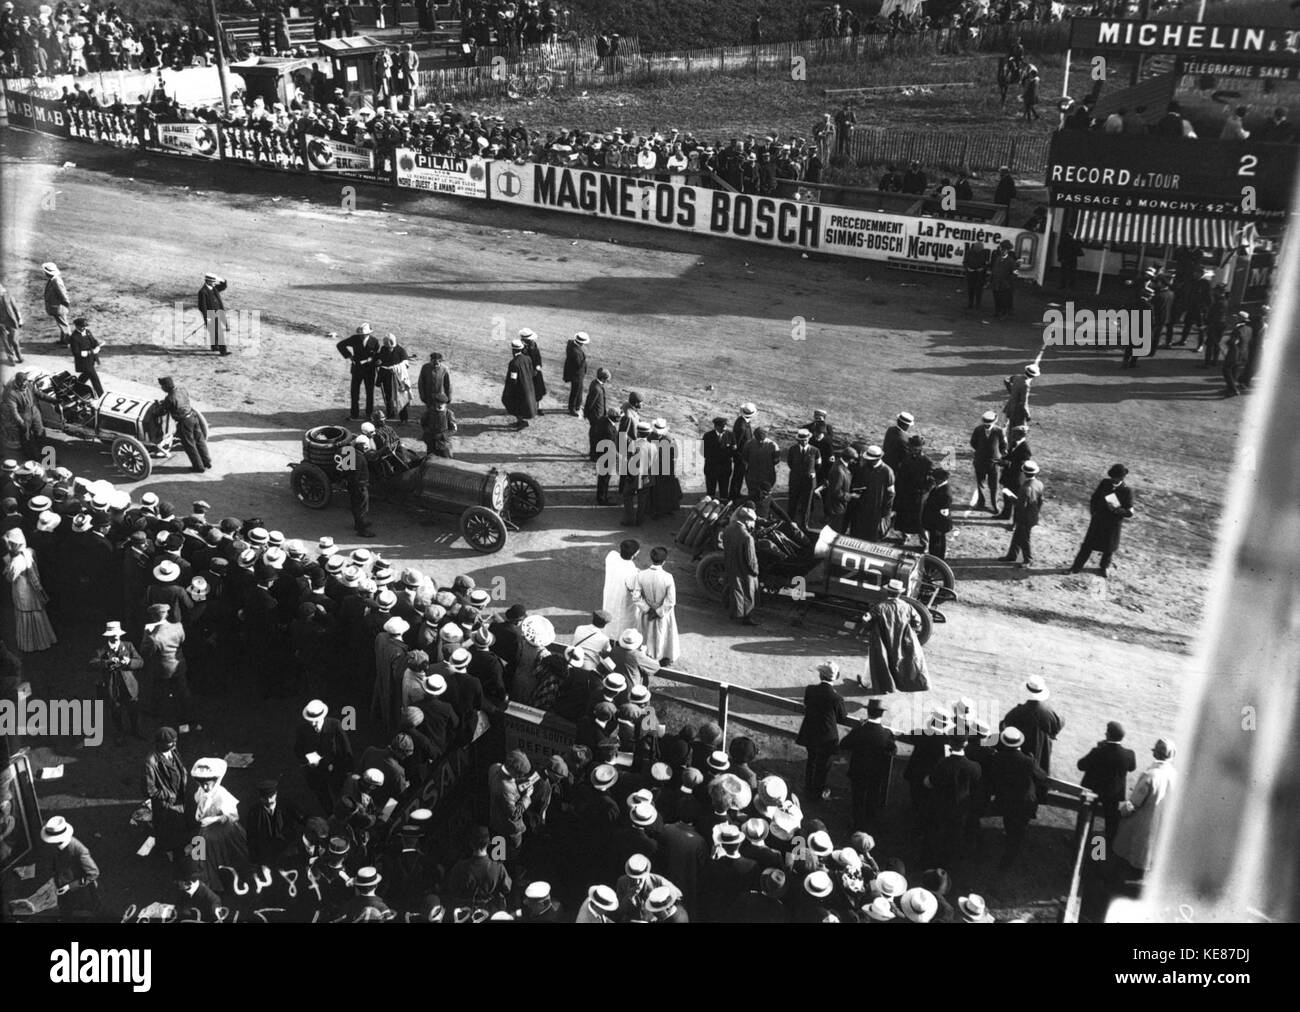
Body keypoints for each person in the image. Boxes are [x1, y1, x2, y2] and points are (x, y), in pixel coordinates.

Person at [187, 756, 249, 893]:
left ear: (215, 781)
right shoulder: (201, 792)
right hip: (206, 830)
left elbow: (232, 816)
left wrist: (214, 819)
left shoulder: (222, 795)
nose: (204, 787)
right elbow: (200, 807)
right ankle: (204, 877)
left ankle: (228, 877)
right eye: (201, 783)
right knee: (200, 851)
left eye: (207, 784)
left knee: (225, 855)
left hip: (224, 830)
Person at [987, 727, 1048, 867]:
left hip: (1006, 799)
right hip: (1025, 800)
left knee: (1009, 822)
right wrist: (1033, 761)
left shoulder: (997, 758)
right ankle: (1011, 855)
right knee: (1020, 828)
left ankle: (1010, 843)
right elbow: (1042, 776)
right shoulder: (1028, 760)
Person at [1077, 721, 1137, 851]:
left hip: (1093, 791)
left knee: (1086, 818)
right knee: (1110, 821)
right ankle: (1103, 849)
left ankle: (1080, 844)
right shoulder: (1129, 754)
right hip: (1113, 793)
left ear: (1108, 735)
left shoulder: (1097, 752)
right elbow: (1132, 768)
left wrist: (1099, 748)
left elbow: (1081, 765)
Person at [1071, 464, 1136, 577]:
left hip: (1112, 524)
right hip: (1098, 520)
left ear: (1121, 478)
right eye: (1111, 477)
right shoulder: (1105, 483)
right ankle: (1076, 566)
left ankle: (1104, 567)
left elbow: (1130, 512)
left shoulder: (1127, 491)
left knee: (1108, 548)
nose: (1112, 480)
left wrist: (1117, 510)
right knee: (1087, 545)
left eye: (1115, 478)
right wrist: (1093, 512)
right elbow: (1094, 498)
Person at [840, 698, 894, 832]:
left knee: (857, 798)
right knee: (872, 798)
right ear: (881, 714)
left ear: (868, 713)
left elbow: (844, 744)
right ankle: (869, 825)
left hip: (858, 771)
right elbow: (893, 750)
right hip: (876, 774)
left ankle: (856, 824)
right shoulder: (887, 734)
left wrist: (860, 728)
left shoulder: (859, 730)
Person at [796, 662, 846, 803]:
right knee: (823, 766)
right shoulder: (836, 698)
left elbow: (807, 703)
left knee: (811, 760)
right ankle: (817, 792)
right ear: (835, 677)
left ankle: (808, 788)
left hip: (810, 732)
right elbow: (842, 716)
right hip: (826, 737)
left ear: (820, 675)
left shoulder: (810, 690)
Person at [295, 699, 354, 816]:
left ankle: (343, 815)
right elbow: (298, 750)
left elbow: (347, 751)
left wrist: (344, 769)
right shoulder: (302, 730)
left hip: (335, 771)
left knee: (339, 795)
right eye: (310, 721)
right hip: (316, 773)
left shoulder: (335, 725)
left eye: (315, 721)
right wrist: (307, 760)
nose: (312, 724)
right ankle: (330, 815)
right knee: (323, 796)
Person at [5, 527, 55, 652]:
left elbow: (10, 577)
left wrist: (7, 563)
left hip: (22, 590)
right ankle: (43, 640)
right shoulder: (30, 552)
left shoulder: (16, 561)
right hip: (33, 589)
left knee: (25, 614)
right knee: (36, 613)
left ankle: (29, 644)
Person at [1000, 676, 1064, 776]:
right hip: (1043, 751)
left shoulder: (1016, 712)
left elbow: (1004, 728)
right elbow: (1056, 728)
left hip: (1022, 752)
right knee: (1041, 774)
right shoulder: (1049, 712)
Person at [90, 620, 143, 738]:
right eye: (112, 635)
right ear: (108, 636)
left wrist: (129, 662)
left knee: (133, 709)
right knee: (115, 710)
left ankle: (135, 730)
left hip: (129, 685)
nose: (115, 637)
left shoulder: (128, 646)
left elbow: (140, 662)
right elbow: (92, 664)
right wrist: (107, 662)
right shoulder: (102, 650)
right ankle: (120, 733)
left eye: (117, 634)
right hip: (112, 686)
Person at [41, 816, 100, 919]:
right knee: (66, 911)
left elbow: (93, 873)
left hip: (80, 891)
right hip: (63, 887)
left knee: (82, 915)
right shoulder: (57, 846)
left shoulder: (79, 850)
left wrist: (69, 886)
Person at [143, 726, 189, 859]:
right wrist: (168, 796)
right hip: (165, 804)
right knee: (165, 830)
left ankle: (176, 847)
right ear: (159, 744)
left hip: (178, 798)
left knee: (178, 826)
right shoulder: (150, 762)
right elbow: (149, 789)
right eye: (170, 742)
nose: (174, 744)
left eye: (175, 741)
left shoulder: (172, 751)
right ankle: (167, 852)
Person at [157, 376, 211, 473]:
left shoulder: (169, 398)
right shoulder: (182, 389)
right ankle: (207, 462)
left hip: (184, 423)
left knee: (189, 445)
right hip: (193, 417)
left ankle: (199, 467)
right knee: (199, 440)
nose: (162, 388)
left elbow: (161, 411)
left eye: (162, 386)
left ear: (166, 386)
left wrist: (159, 406)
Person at [722, 506, 760, 626]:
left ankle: (733, 613)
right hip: (744, 570)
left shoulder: (728, 529)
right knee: (748, 593)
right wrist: (755, 572)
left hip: (731, 564)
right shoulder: (747, 538)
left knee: (734, 590)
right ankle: (747, 618)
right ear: (747, 520)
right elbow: (751, 559)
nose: (753, 524)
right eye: (752, 521)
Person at [1001, 459, 1042, 567]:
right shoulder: (1039, 484)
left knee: (1024, 539)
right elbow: (1040, 501)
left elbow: (1020, 506)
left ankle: (1028, 560)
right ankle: (1012, 555)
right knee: (1017, 536)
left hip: (1024, 518)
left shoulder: (1025, 488)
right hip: (1032, 515)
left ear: (1024, 473)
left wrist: (1011, 497)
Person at [336, 323, 380, 420]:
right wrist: (349, 355)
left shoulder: (375, 341)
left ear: (368, 334)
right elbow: (340, 345)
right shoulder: (354, 338)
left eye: (363, 334)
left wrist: (372, 359)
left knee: (370, 393)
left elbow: (377, 355)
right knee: (354, 392)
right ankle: (354, 414)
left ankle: (369, 414)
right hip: (357, 370)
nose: (361, 336)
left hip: (369, 371)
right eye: (360, 334)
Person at [1, 372, 45, 461]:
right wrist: (22, 423)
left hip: (33, 412)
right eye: (22, 382)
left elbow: (40, 395)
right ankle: (32, 459)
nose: (24, 384)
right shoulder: (11, 393)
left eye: (25, 381)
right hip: (23, 415)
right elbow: (14, 412)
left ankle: (45, 457)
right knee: (27, 439)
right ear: (17, 381)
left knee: (40, 434)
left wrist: (54, 400)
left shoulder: (28, 385)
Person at [970, 410, 1006, 513]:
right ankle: (981, 503)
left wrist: (998, 456)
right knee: (980, 483)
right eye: (985, 424)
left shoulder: (999, 431)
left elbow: (1003, 446)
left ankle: (994, 505)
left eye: (988, 424)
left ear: (993, 422)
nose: (986, 426)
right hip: (980, 461)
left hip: (994, 463)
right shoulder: (978, 430)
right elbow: (973, 443)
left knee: (994, 485)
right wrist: (981, 452)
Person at [375, 332, 413, 423]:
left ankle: (403, 418)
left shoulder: (400, 350)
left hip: (398, 378)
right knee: (388, 396)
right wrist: (378, 361)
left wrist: (396, 368)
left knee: (401, 397)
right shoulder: (383, 349)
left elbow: (406, 364)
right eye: (386, 345)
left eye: (389, 346)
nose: (388, 347)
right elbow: (379, 358)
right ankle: (390, 413)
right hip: (386, 377)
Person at [502, 337, 538, 429]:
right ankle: (521, 421)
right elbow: (532, 372)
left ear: (513, 350)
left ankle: (520, 422)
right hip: (528, 386)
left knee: (515, 405)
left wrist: (510, 391)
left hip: (519, 388)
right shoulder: (527, 358)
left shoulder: (513, 363)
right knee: (524, 405)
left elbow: (513, 379)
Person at [786, 428, 820, 526]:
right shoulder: (793, 449)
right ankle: (789, 523)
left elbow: (818, 465)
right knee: (792, 503)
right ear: (798, 440)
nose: (804, 442)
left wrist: (811, 473)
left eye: (805, 440)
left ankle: (804, 525)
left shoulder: (815, 450)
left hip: (808, 482)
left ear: (808, 439)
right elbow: (790, 463)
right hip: (795, 480)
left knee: (806, 505)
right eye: (801, 440)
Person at [921, 467, 953, 561]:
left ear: (941, 480)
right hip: (935, 522)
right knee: (936, 543)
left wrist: (937, 528)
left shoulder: (945, 493)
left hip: (938, 524)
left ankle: (935, 562)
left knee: (936, 544)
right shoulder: (940, 488)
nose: (934, 480)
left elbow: (943, 514)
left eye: (936, 479)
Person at [345, 434, 374, 537]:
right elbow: (355, 475)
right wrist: (356, 487)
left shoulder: (353, 453)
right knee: (361, 508)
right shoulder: (359, 457)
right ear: (359, 445)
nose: (366, 448)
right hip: (359, 486)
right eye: (365, 446)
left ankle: (358, 524)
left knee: (357, 506)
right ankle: (362, 530)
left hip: (355, 486)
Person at [196, 272, 230, 355]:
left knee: (213, 332)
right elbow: (202, 306)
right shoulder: (202, 292)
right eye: (213, 281)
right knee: (219, 332)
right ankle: (223, 351)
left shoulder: (214, 288)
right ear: (208, 281)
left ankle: (214, 347)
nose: (215, 283)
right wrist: (207, 317)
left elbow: (223, 286)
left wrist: (221, 279)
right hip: (210, 314)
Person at [702, 416, 735, 500]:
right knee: (710, 492)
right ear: (716, 426)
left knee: (724, 492)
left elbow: (734, 449)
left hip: (725, 468)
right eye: (722, 426)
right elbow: (704, 452)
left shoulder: (730, 435)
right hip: (711, 468)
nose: (724, 428)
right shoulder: (708, 436)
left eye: (725, 426)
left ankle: (723, 507)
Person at [42, 262, 72, 346]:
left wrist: (66, 303)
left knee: (63, 324)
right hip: (57, 306)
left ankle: (67, 342)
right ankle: (63, 340)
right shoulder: (53, 280)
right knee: (62, 323)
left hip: (59, 307)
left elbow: (62, 293)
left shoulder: (56, 280)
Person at [988, 240, 1017, 318]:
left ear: (1007, 250)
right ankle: (997, 312)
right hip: (996, 282)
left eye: (1003, 249)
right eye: (1001, 249)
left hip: (1004, 284)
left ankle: (1004, 313)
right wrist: (991, 280)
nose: (1002, 251)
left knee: (1004, 299)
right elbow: (994, 270)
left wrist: (1008, 282)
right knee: (996, 298)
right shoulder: (997, 259)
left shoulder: (1011, 261)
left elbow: (1015, 273)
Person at [563, 331, 589, 416]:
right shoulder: (576, 351)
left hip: (576, 374)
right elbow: (578, 364)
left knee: (578, 390)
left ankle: (577, 406)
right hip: (576, 375)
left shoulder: (572, 346)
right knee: (575, 391)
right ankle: (572, 409)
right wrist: (584, 361)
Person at [0, 282, 23, 364]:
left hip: (12, 322)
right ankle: (11, 358)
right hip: (1, 324)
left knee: (14, 341)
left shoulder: (9, 296)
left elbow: (16, 309)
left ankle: (19, 356)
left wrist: (20, 319)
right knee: (6, 342)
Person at [962, 241, 988, 310]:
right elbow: (965, 262)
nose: (978, 249)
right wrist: (967, 268)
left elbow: (986, 264)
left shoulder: (984, 253)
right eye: (977, 248)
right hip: (970, 274)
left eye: (979, 248)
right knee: (970, 290)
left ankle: (978, 305)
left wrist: (982, 268)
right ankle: (970, 304)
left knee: (979, 290)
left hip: (980, 275)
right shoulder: (969, 253)